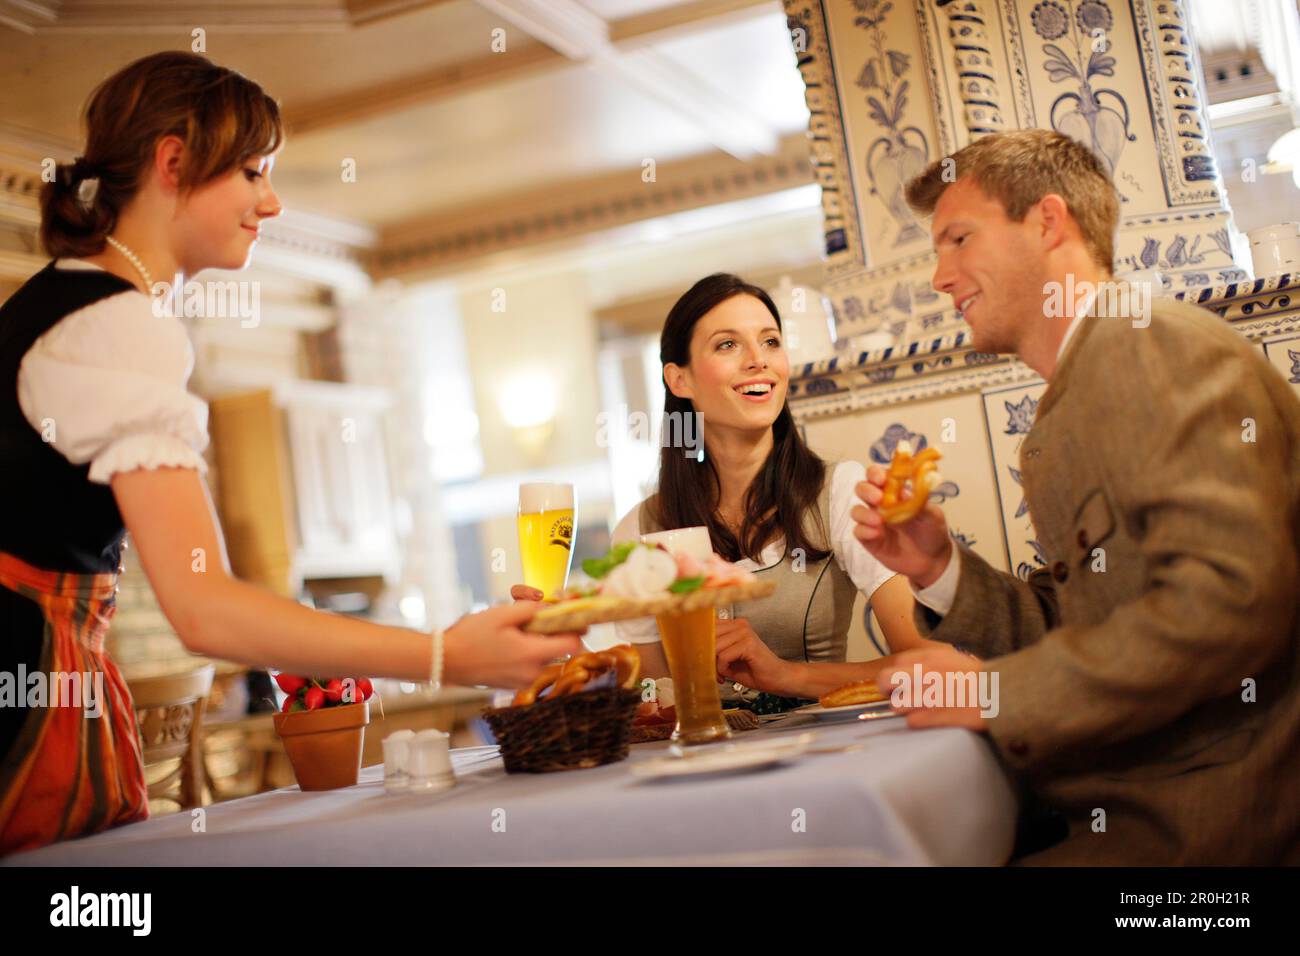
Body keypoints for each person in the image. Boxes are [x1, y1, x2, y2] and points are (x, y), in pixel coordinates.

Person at [0, 52, 582, 856]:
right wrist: (445, 652)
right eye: (251, 172)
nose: (271, 203)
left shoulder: (54, 307)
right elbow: (203, 610)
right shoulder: (116, 324)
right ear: (173, 161)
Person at [852, 128, 1300, 864]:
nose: (940, 275)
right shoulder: (1081, 386)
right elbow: (1087, 629)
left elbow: (1231, 602)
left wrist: (993, 695)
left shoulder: (1149, 346)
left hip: (1213, 833)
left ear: (1048, 222)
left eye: (958, 238)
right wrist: (940, 568)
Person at [514, 273, 934, 704]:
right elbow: (657, 697)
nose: (759, 360)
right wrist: (573, 651)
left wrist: (785, 675)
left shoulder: (842, 492)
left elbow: (930, 666)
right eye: (727, 344)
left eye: (770, 341)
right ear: (680, 381)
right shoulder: (640, 528)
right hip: (702, 762)